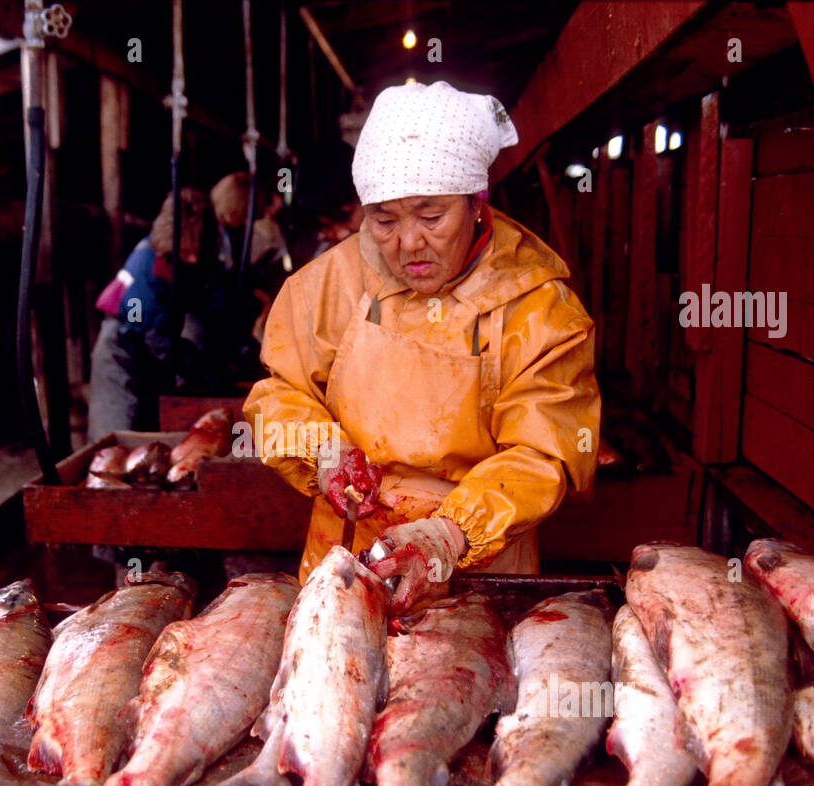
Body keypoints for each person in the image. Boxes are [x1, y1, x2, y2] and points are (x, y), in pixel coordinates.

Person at [243, 81, 601, 614]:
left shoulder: (539, 306)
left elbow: (546, 448)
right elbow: (279, 394)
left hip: (478, 571)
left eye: (431, 217)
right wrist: (323, 451)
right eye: (384, 220)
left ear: (477, 203)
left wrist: (452, 534)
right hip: (345, 562)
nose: (407, 242)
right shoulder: (326, 285)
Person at [88, 188, 231, 439]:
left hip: (150, 346)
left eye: (197, 249)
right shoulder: (147, 267)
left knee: (151, 436)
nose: (193, 256)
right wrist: (201, 372)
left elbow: (206, 302)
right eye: (186, 251)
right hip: (120, 350)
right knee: (115, 438)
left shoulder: (193, 260)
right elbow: (159, 340)